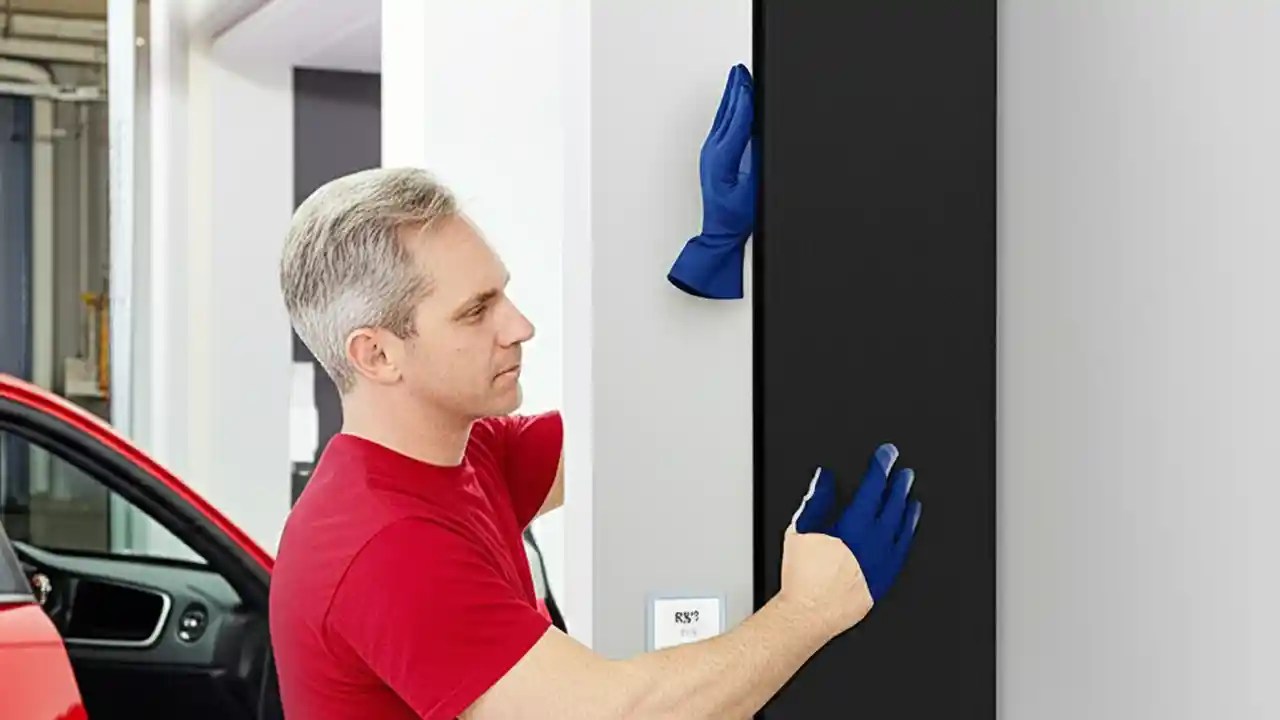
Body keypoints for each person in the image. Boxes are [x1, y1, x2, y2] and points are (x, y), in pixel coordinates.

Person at [269, 66, 921, 719]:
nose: (520, 327)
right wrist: (811, 609)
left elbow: (630, 441)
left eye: (503, 293)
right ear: (376, 353)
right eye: (476, 311)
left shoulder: (467, 455)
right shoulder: (384, 544)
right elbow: (617, 713)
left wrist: (709, 258)